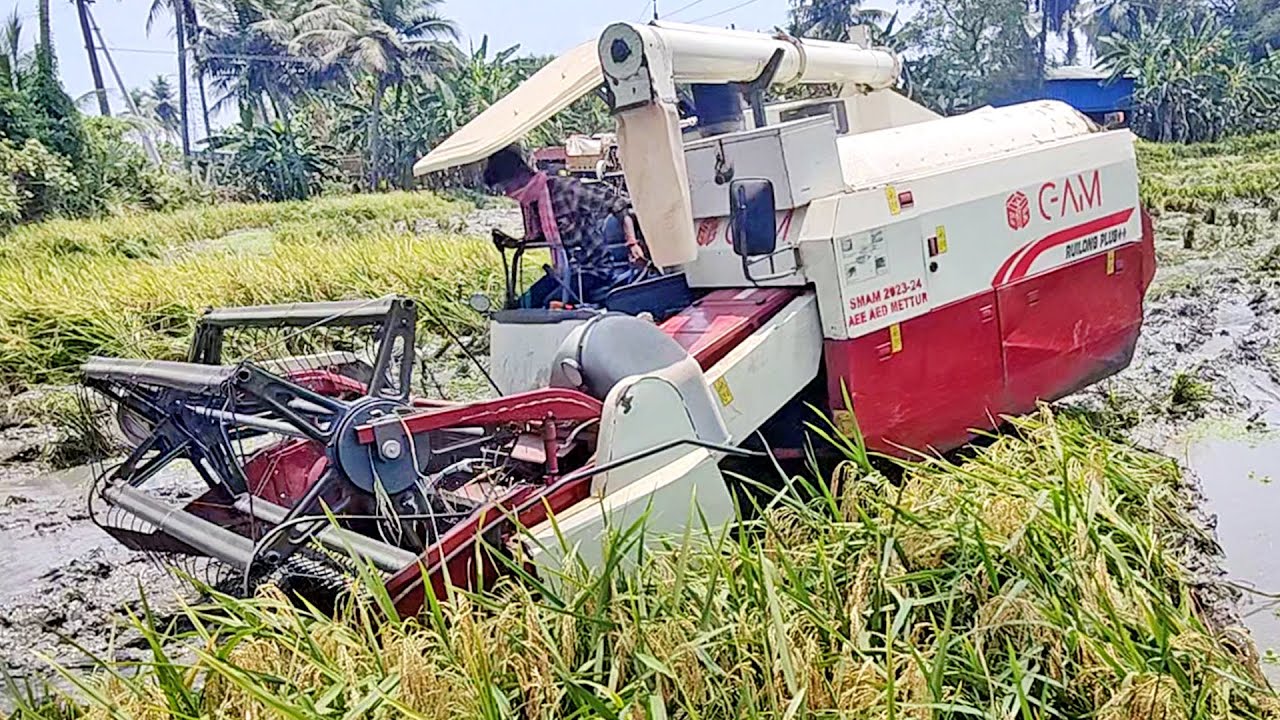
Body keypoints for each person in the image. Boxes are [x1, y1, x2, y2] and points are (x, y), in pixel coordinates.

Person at [483, 145, 645, 308]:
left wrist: (632, 242)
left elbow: (617, 204)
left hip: (592, 270)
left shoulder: (567, 189)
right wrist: (513, 243)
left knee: (549, 305)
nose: (508, 193)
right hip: (564, 272)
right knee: (521, 304)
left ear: (520, 176)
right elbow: (546, 238)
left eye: (507, 187)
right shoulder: (532, 202)